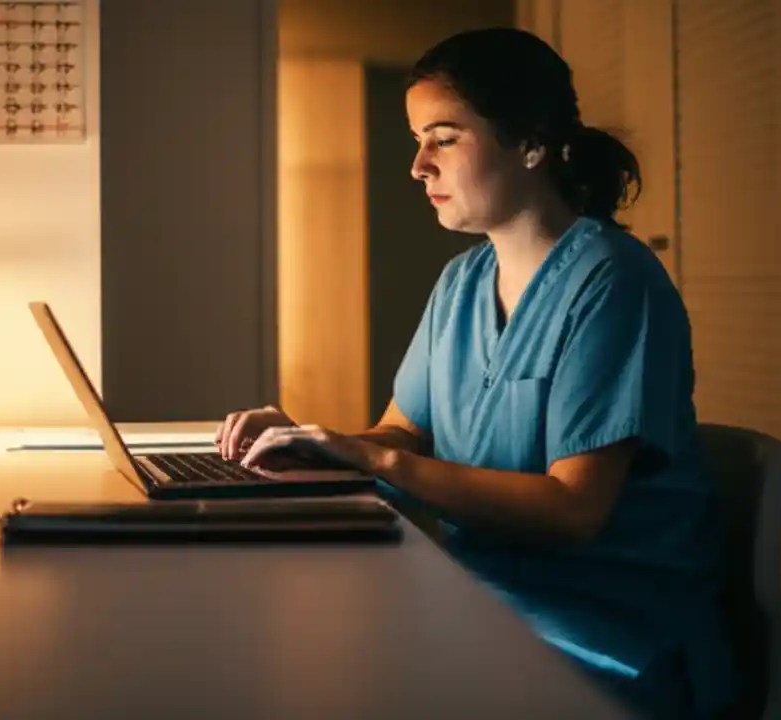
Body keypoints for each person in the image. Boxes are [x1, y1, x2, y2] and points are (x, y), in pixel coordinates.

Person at [215, 28, 734, 720]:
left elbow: (574, 511)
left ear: (530, 143)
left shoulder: (614, 282)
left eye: (445, 138)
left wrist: (371, 458)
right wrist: (320, 441)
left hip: (601, 637)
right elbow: (406, 431)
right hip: (480, 604)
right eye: (417, 140)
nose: (418, 166)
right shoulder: (463, 281)